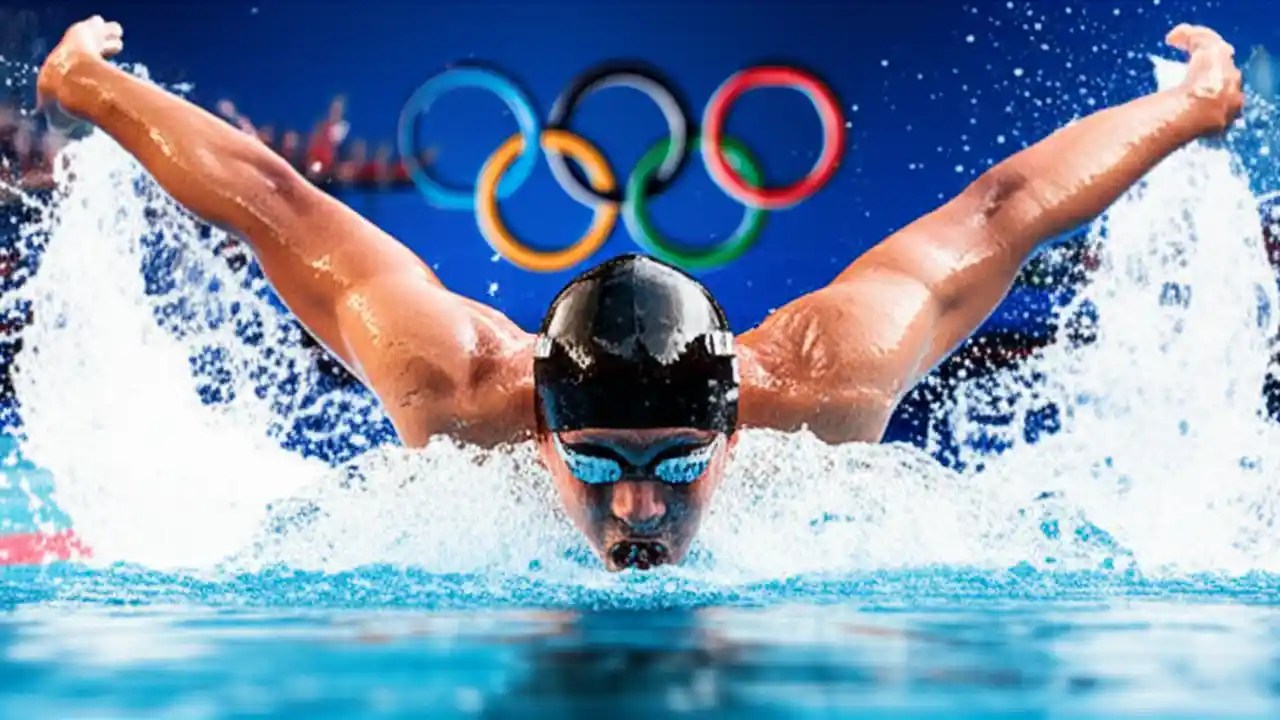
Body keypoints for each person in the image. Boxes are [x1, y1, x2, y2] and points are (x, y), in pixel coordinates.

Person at [36, 17, 1243, 571]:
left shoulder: (823, 386)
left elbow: (1004, 209)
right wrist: (91, 85)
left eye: (674, 463)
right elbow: (274, 201)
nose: (637, 510)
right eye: (602, 458)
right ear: (537, 424)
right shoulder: (455, 389)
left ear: (733, 421)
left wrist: (1185, 107)